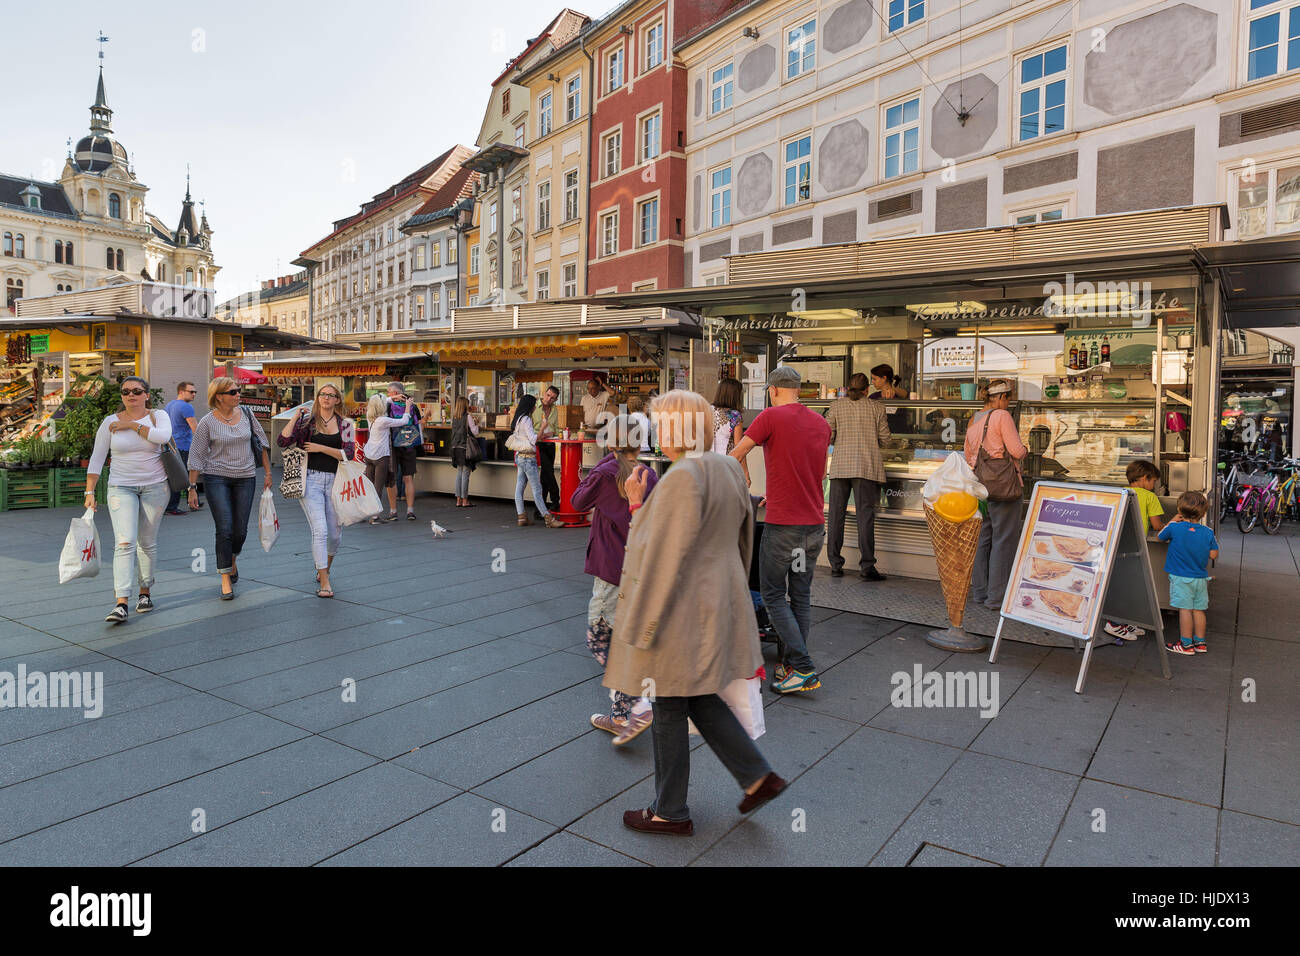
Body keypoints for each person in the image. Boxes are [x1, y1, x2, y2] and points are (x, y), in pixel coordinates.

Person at [606, 389, 787, 835]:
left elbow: (662, 554)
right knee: (699, 695)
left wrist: (635, 504)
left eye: (658, 422)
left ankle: (669, 810)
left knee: (668, 702)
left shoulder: (683, 477)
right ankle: (757, 776)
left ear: (673, 427)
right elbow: (742, 541)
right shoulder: (726, 466)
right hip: (718, 600)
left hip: (678, 610)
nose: (653, 430)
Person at [731, 366, 832, 694]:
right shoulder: (821, 424)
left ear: (773, 390)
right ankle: (791, 664)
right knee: (800, 595)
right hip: (812, 527)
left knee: (773, 594)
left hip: (783, 527)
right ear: (798, 390)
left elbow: (736, 455)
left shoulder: (770, 418)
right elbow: (807, 469)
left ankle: (803, 667)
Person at [571, 416, 658, 744]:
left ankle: (636, 699)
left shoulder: (606, 472)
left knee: (598, 636)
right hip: (638, 567)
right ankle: (622, 716)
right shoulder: (649, 474)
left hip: (610, 569)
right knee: (624, 637)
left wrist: (600, 464)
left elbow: (577, 502)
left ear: (611, 442)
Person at [83, 376, 172, 624]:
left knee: (147, 541)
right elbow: (97, 457)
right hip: (121, 487)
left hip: (156, 487)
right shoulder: (109, 422)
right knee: (124, 542)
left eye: (136, 390)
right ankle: (121, 602)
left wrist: (132, 426)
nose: (130, 395)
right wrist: (89, 492)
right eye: (125, 391)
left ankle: (145, 592)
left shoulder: (159, 416)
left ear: (146, 395)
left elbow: (163, 437)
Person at [186, 377, 272, 600]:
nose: (238, 394)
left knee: (240, 531)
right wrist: (192, 487)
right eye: (233, 392)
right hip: (216, 478)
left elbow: (262, 443)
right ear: (219, 396)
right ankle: (225, 577)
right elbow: (196, 456)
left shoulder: (247, 414)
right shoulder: (207, 422)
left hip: (246, 477)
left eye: (238, 390)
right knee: (224, 528)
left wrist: (268, 474)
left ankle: (232, 559)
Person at [279, 384, 356, 598]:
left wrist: (321, 448)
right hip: (310, 479)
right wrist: (295, 416)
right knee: (320, 530)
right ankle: (324, 581)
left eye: (331, 396)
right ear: (318, 398)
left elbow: (348, 453)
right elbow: (283, 441)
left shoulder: (346, 425)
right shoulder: (307, 423)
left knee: (335, 535)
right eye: (323, 395)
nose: (326, 399)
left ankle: (325, 568)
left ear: (337, 400)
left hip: (335, 482)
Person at [964, 379, 1027, 610]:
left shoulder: (973, 419)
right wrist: (1027, 450)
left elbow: (969, 457)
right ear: (1001, 398)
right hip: (1003, 487)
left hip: (980, 488)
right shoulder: (1002, 416)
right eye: (1008, 399)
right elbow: (1017, 451)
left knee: (984, 539)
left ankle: (980, 593)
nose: (1008, 404)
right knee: (1003, 541)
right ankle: (996, 598)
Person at [826, 371, 890, 581]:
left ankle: (835, 564)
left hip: (840, 467)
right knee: (865, 517)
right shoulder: (876, 407)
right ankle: (867, 566)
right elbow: (886, 439)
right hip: (866, 466)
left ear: (848, 387)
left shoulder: (836, 406)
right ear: (866, 390)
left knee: (836, 515)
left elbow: (828, 435)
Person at [1104, 460, 1166, 640]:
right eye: (1153, 481)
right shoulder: (1149, 497)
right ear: (1145, 478)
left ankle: (1124, 622)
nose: (1153, 485)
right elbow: (1156, 525)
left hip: (1116, 544)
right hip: (1134, 547)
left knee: (1121, 585)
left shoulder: (1121, 492)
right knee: (1130, 586)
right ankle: (1114, 624)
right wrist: (1167, 524)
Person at [1157, 491, 1219, 656]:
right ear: (1203, 513)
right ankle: (1200, 642)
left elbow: (1160, 536)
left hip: (1180, 577)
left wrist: (1171, 521)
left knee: (1185, 610)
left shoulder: (1175, 527)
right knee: (1198, 610)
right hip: (1200, 578)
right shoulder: (1208, 532)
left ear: (1179, 509)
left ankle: (1185, 644)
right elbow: (1213, 555)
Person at [510, 394, 562, 528]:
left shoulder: (518, 418)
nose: (535, 407)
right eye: (534, 404)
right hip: (528, 458)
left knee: (519, 487)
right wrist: (543, 427)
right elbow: (533, 439)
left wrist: (540, 434)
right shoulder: (527, 419)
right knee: (537, 489)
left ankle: (521, 516)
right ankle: (548, 519)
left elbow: (529, 437)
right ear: (530, 406)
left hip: (520, 456)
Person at [361, 393, 410, 525]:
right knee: (378, 487)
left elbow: (378, 401)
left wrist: (393, 398)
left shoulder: (370, 417)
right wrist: (408, 407)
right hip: (380, 456)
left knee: (370, 486)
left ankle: (365, 512)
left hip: (369, 455)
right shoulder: (383, 420)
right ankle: (375, 516)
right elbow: (404, 421)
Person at [164, 381, 200, 515]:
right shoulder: (186, 407)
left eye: (195, 392)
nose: (194, 394)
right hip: (184, 446)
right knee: (183, 476)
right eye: (191, 392)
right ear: (181, 392)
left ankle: (192, 499)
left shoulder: (169, 405)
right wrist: (203, 444)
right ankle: (172, 507)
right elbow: (195, 428)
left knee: (175, 475)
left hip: (172, 445)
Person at [386, 382, 421, 520]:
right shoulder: (413, 406)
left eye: (389, 392)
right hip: (409, 444)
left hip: (393, 445)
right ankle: (410, 510)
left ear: (394, 393)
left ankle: (393, 511)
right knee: (408, 478)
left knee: (392, 479)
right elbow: (418, 425)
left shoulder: (388, 406)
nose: (388, 394)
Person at [710, 378, 749, 483]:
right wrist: (745, 473)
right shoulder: (735, 415)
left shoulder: (707, 410)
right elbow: (739, 446)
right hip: (726, 465)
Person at [533, 385, 561, 520]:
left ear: (555, 400)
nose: (549, 399)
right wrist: (540, 434)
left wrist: (553, 432)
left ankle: (540, 509)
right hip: (538, 443)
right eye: (548, 395)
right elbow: (529, 427)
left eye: (553, 398)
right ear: (544, 393)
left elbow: (556, 428)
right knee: (548, 472)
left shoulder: (555, 410)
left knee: (545, 476)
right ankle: (556, 500)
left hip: (550, 443)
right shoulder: (534, 407)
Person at [451, 395, 480, 508]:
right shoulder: (467, 417)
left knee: (459, 473)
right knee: (465, 474)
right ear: (465, 405)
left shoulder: (454, 417)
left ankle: (458, 500)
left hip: (455, 448)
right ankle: (465, 500)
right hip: (465, 448)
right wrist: (476, 423)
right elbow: (475, 433)